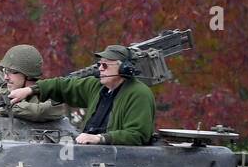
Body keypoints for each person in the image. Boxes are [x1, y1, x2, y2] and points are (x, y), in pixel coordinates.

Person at [10, 44, 155, 146]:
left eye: (105, 65)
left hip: (117, 160)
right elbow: (63, 85)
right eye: (99, 64)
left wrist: (100, 139)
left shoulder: (139, 94)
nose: (100, 69)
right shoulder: (96, 87)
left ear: (125, 68)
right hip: (90, 153)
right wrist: (30, 90)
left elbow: (137, 134)